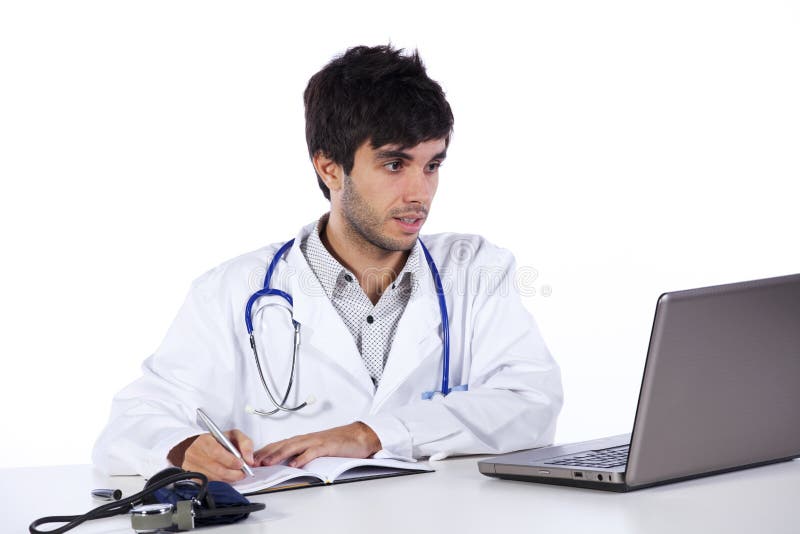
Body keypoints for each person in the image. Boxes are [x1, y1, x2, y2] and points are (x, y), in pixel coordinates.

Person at [93, 45, 563, 483]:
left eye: (432, 165)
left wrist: (372, 433)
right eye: (395, 165)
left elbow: (530, 404)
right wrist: (184, 447)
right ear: (329, 167)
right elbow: (135, 419)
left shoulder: (474, 269)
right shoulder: (231, 291)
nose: (420, 193)